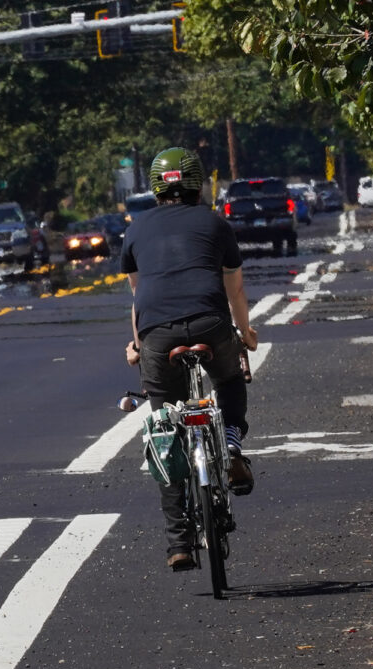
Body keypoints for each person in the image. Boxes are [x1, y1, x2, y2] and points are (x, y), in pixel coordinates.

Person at [120, 147, 259, 572]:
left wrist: (136, 344)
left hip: (158, 336)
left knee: (164, 433)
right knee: (231, 380)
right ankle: (231, 444)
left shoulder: (137, 229)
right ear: (199, 184)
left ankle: (179, 544)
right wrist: (245, 336)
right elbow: (234, 290)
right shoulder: (217, 223)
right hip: (211, 326)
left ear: (156, 187)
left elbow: (139, 296)